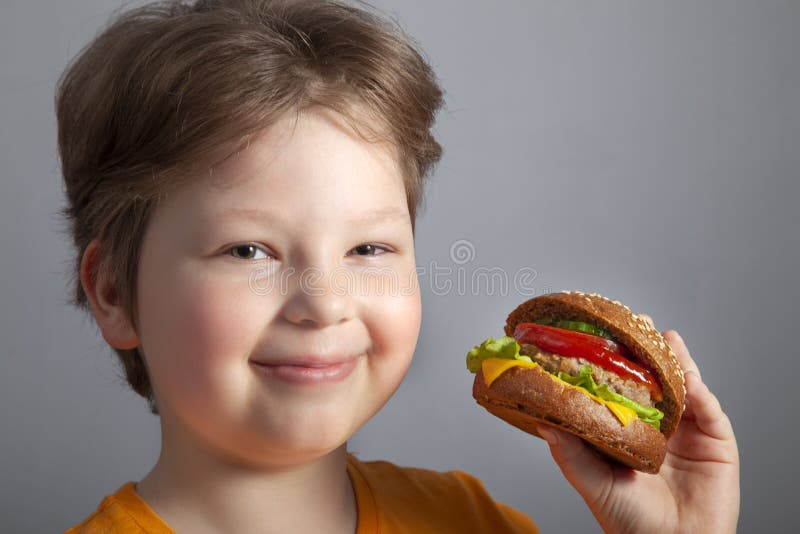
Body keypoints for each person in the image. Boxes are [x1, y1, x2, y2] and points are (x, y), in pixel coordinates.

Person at [57, 1, 739, 532]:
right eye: (249, 250)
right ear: (115, 292)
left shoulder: (476, 522)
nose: (324, 305)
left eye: (367, 249)